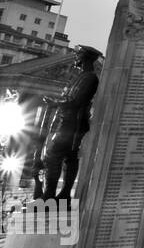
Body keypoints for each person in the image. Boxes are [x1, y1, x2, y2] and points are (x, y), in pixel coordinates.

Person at [39, 46, 102, 201]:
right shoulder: (80, 76)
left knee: (54, 155)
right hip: (66, 120)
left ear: (85, 58)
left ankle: (52, 194)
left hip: (74, 123)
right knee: (68, 157)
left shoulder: (90, 78)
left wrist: (56, 103)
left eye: (78, 55)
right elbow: (69, 97)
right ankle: (61, 194)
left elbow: (77, 101)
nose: (75, 58)